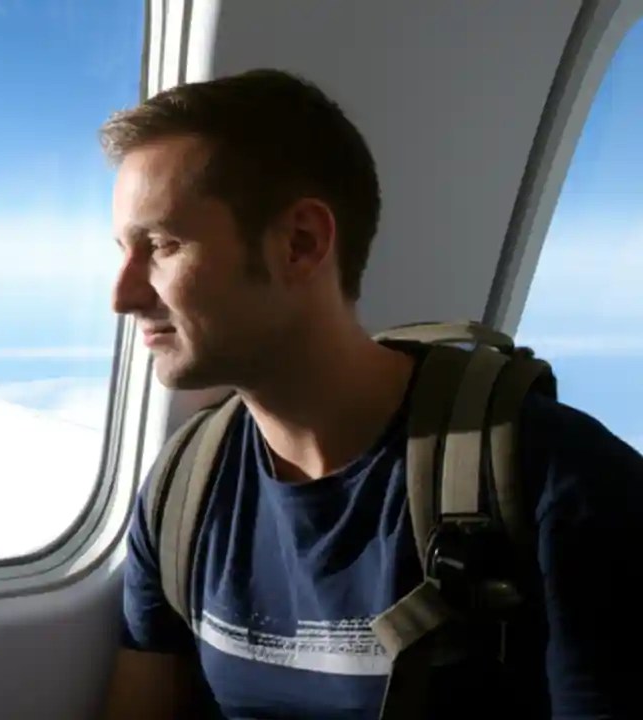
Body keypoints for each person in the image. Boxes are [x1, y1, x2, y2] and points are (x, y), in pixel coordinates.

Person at [97, 68, 643, 719]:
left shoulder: (563, 483)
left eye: (161, 245)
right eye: (123, 251)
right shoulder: (182, 493)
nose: (122, 295)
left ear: (300, 244)